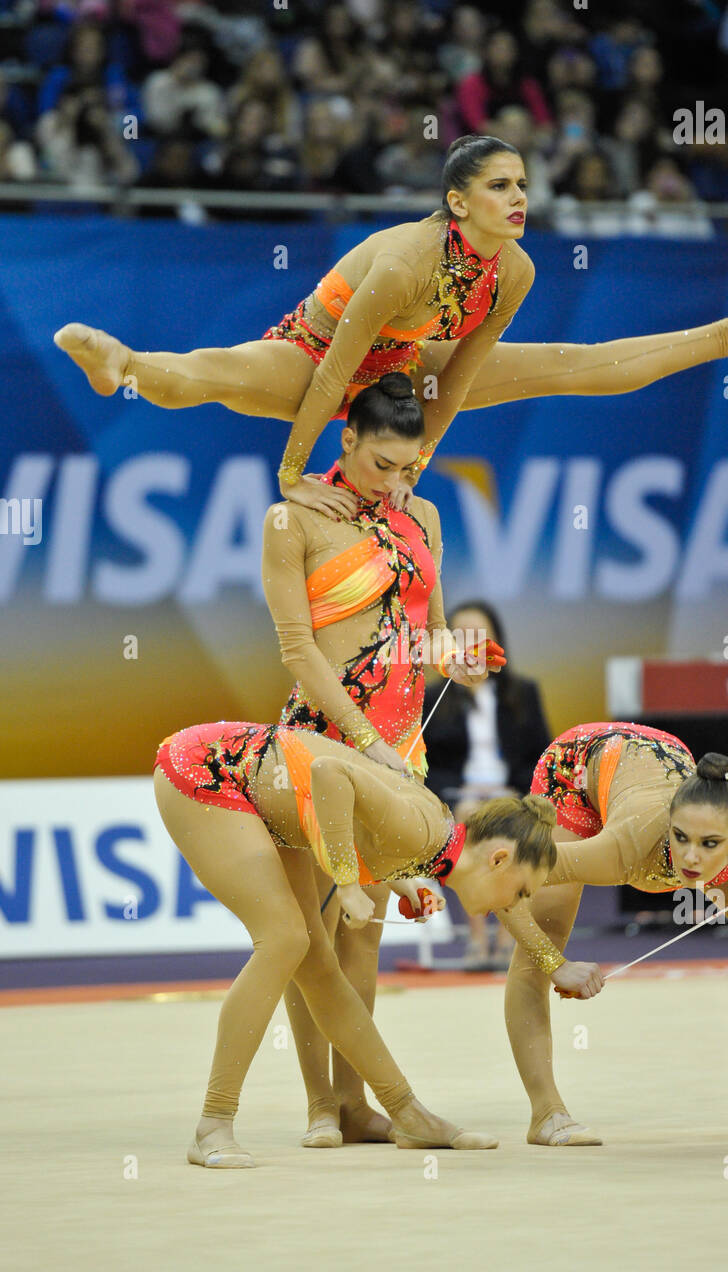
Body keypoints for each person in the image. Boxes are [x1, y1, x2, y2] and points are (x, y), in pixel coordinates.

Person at [53, 133, 728, 500]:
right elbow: (332, 372)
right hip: (313, 351)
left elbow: (453, 382)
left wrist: (411, 466)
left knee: (574, 363)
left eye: (522, 183)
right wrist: (293, 475)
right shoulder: (402, 262)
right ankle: (124, 364)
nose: (519, 197)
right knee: (213, 374)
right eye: (500, 186)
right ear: (458, 202)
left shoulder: (513, 271)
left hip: (403, 366)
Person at [153, 721, 601, 1166]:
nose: (515, 906)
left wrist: (400, 882)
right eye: (521, 891)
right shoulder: (425, 829)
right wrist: (348, 883)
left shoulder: (436, 836)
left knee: (316, 961)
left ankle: (406, 1111)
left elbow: (368, 824)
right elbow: (330, 773)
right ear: (498, 859)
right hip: (208, 769)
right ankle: (213, 1123)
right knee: (284, 940)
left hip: (268, 791)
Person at [262, 373, 500, 1145]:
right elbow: (300, 651)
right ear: (347, 441)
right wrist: (363, 742)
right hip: (323, 742)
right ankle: (319, 1107)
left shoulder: (423, 516)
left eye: (412, 469)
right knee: (315, 927)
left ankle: (357, 1099)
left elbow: (414, 633)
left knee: (364, 935)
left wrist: (455, 656)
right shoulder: (292, 519)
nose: (397, 485)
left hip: (401, 748)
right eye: (383, 466)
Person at [495, 721, 728, 1146]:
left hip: (658, 759)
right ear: (672, 824)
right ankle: (546, 1114)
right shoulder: (623, 849)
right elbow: (500, 875)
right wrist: (556, 965)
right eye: (681, 838)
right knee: (541, 942)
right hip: (577, 769)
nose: (691, 858)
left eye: (710, 844)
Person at [422, 598, 551, 968]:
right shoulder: (435, 697)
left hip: (510, 793)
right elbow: (429, 764)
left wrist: (515, 792)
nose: (469, 642)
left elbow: (541, 756)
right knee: (469, 821)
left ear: (495, 639)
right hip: (460, 796)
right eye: (460, 635)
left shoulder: (523, 693)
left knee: (512, 824)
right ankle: (478, 939)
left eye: (477, 634)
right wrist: (458, 792)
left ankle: (508, 938)